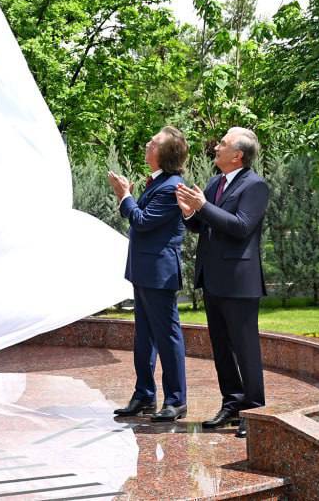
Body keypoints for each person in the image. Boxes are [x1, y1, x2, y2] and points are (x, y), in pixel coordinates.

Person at [176, 127, 269, 439]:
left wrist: (203, 207)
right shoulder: (216, 182)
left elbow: (241, 227)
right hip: (213, 277)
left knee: (245, 349)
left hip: (240, 281)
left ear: (238, 155)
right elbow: (204, 225)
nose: (216, 147)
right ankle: (231, 403)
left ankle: (254, 410)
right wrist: (190, 214)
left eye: (223, 144)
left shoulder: (255, 186)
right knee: (221, 347)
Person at [108, 126, 190, 422]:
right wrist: (128, 198)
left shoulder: (171, 187)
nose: (147, 143)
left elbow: (141, 221)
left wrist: (125, 194)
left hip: (159, 273)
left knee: (167, 336)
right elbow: (136, 216)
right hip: (144, 271)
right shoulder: (158, 183)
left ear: (164, 153)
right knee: (144, 336)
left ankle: (176, 400)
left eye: (153, 142)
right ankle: (144, 394)